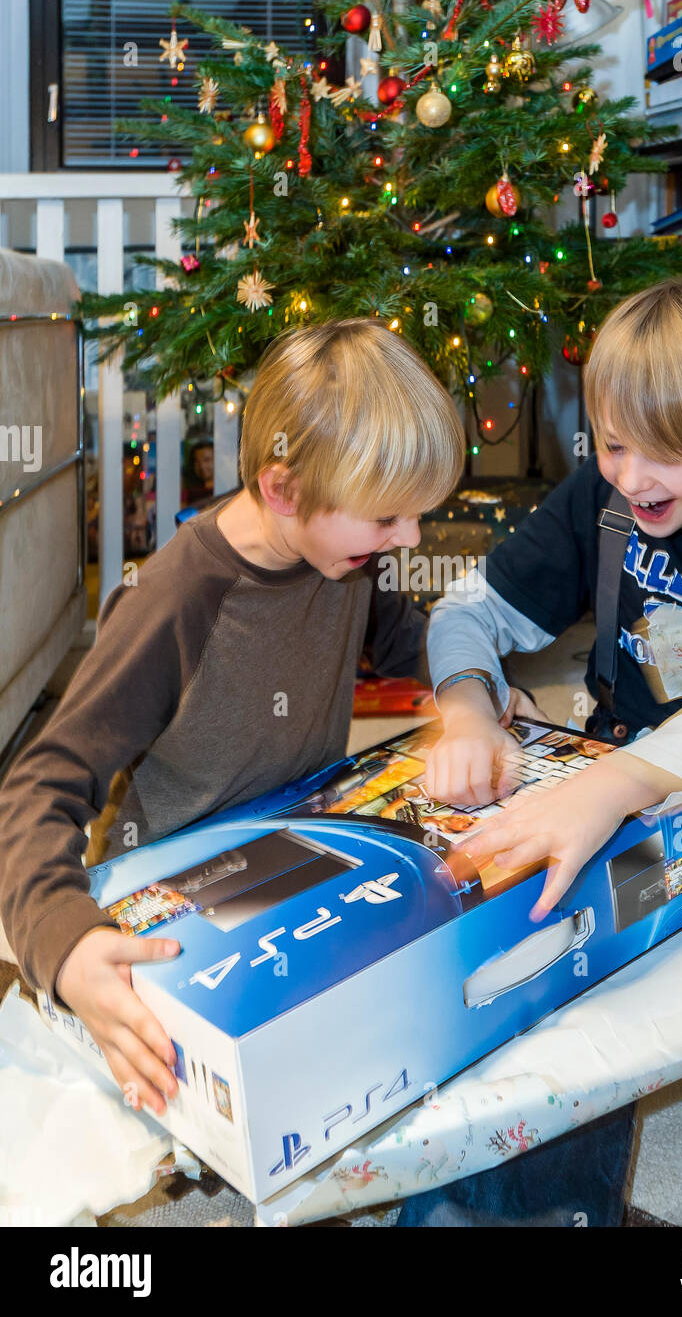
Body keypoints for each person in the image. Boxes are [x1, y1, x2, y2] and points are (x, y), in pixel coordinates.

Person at [397, 273, 682, 1227]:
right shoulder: (594, 505)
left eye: (668, 457)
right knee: (535, 929)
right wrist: (471, 708)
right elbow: (469, 614)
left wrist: (620, 782)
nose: (632, 477)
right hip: (610, 788)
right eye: (611, 444)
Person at [0, 317, 481, 1118]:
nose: (411, 538)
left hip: (308, 842)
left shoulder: (344, 559)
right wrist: (64, 939)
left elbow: (407, 637)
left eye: (415, 516)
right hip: (188, 889)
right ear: (284, 489)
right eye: (387, 520)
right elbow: (41, 782)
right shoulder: (178, 600)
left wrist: (474, 692)